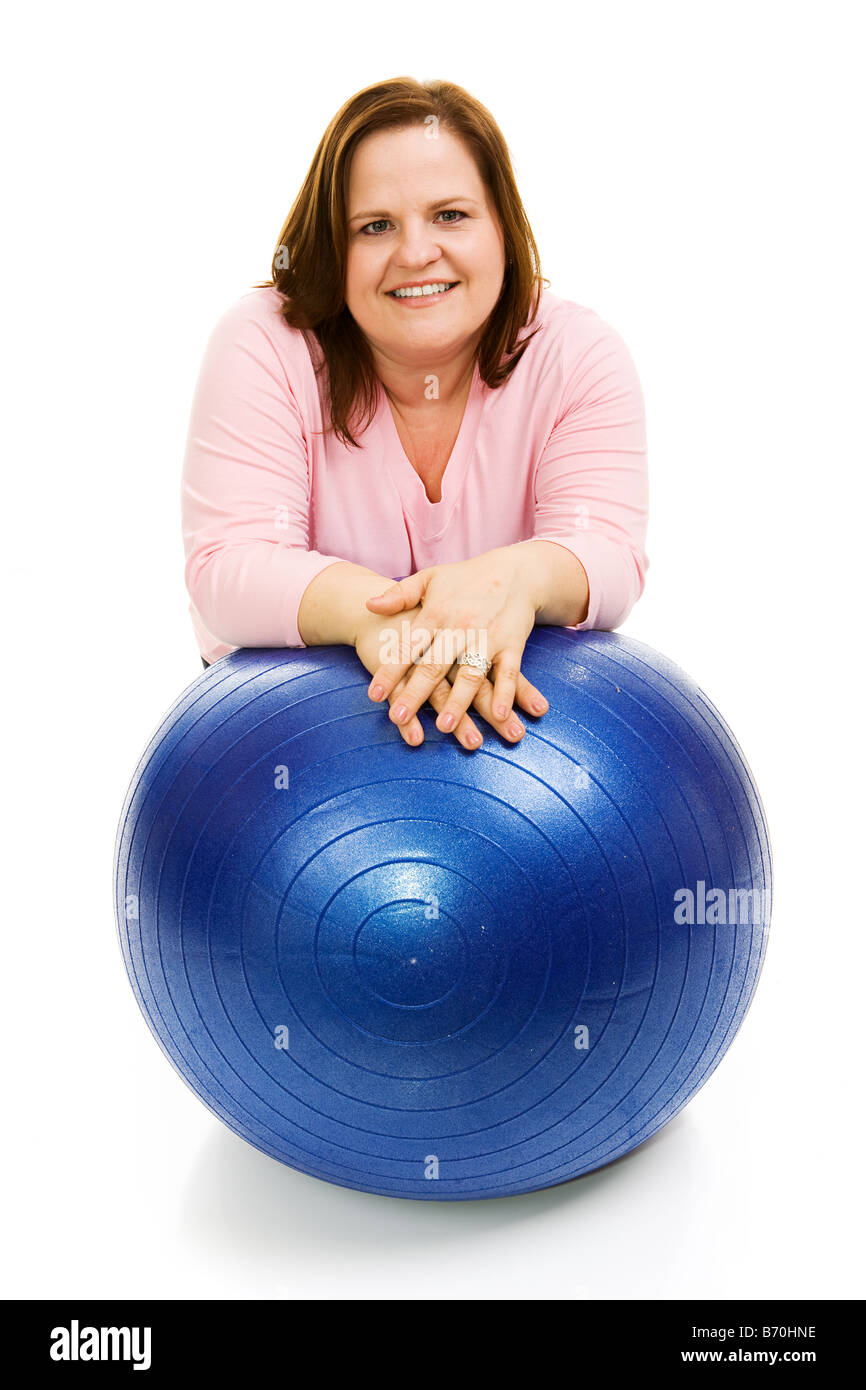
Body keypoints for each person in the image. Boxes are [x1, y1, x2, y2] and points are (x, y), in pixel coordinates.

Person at [182, 77, 648, 752]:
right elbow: (227, 569)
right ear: (334, 250)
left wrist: (512, 579)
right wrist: (380, 620)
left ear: (503, 229)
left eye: (451, 216)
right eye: (376, 226)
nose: (416, 253)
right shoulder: (264, 342)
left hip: (521, 740)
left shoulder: (576, 353)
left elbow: (607, 553)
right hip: (290, 740)